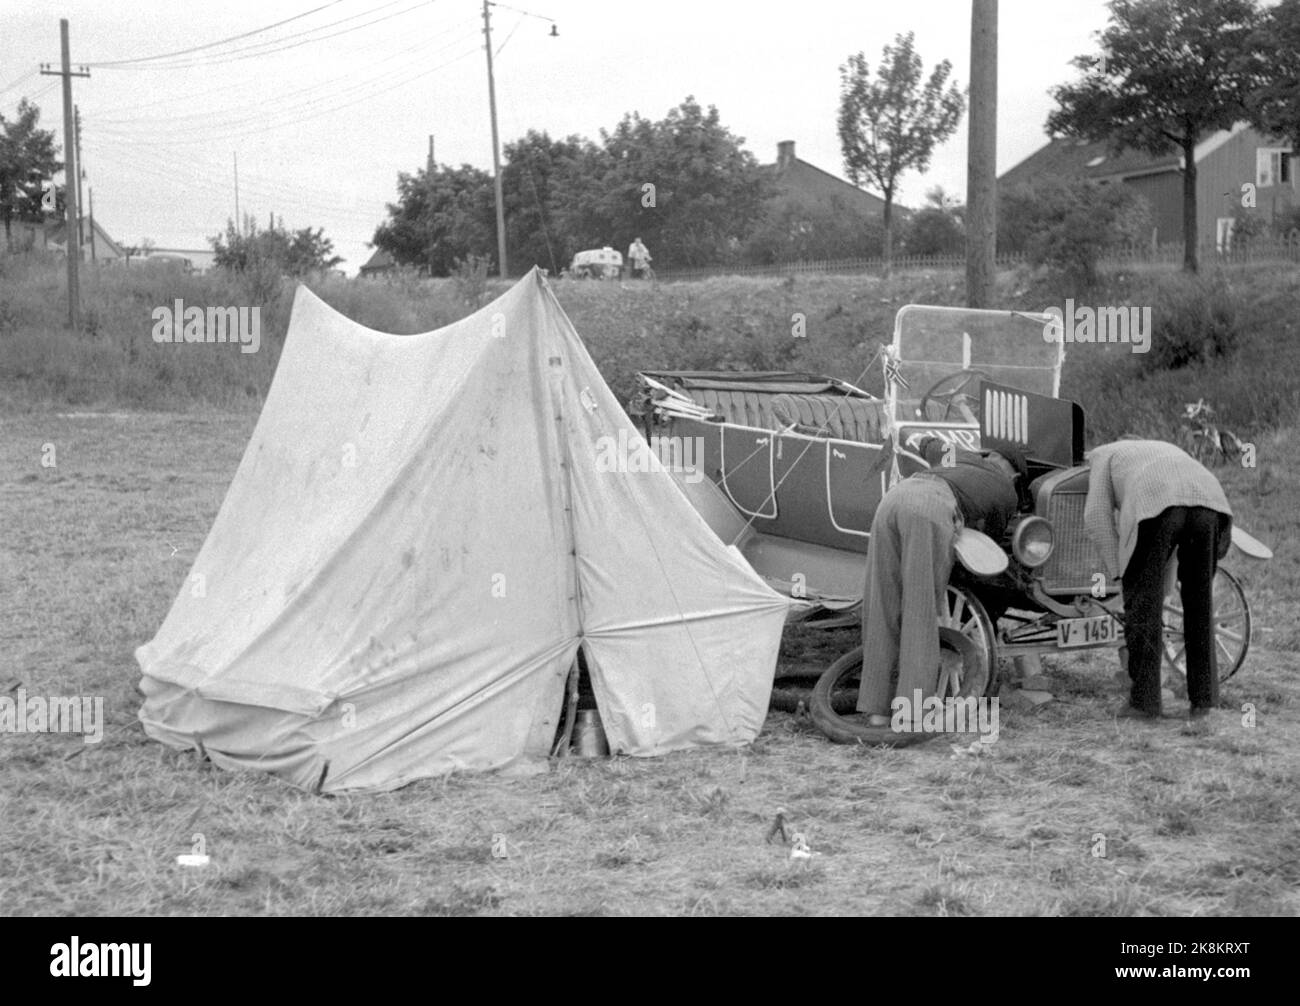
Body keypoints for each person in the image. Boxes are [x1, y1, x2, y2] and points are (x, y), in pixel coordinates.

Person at [856, 436, 1026, 727]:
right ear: (1015, 474)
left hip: (893, 500)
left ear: (988, 455)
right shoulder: (1007, 491)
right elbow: (990, 551)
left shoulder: (958, 455)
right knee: (920, 611)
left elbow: (926, 443)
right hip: (929, 510)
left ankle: (876, 711)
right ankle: (910, 713)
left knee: (881, 605)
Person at [1083, 439, 1232, 720]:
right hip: (1211, 499)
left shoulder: (1100, 458)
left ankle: (1144, 703)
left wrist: (1119, 572)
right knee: (1200, 606)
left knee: (1144, 608)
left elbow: (1096, 517)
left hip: (1157, 504)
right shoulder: (1160, 447)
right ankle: (1203, 701)